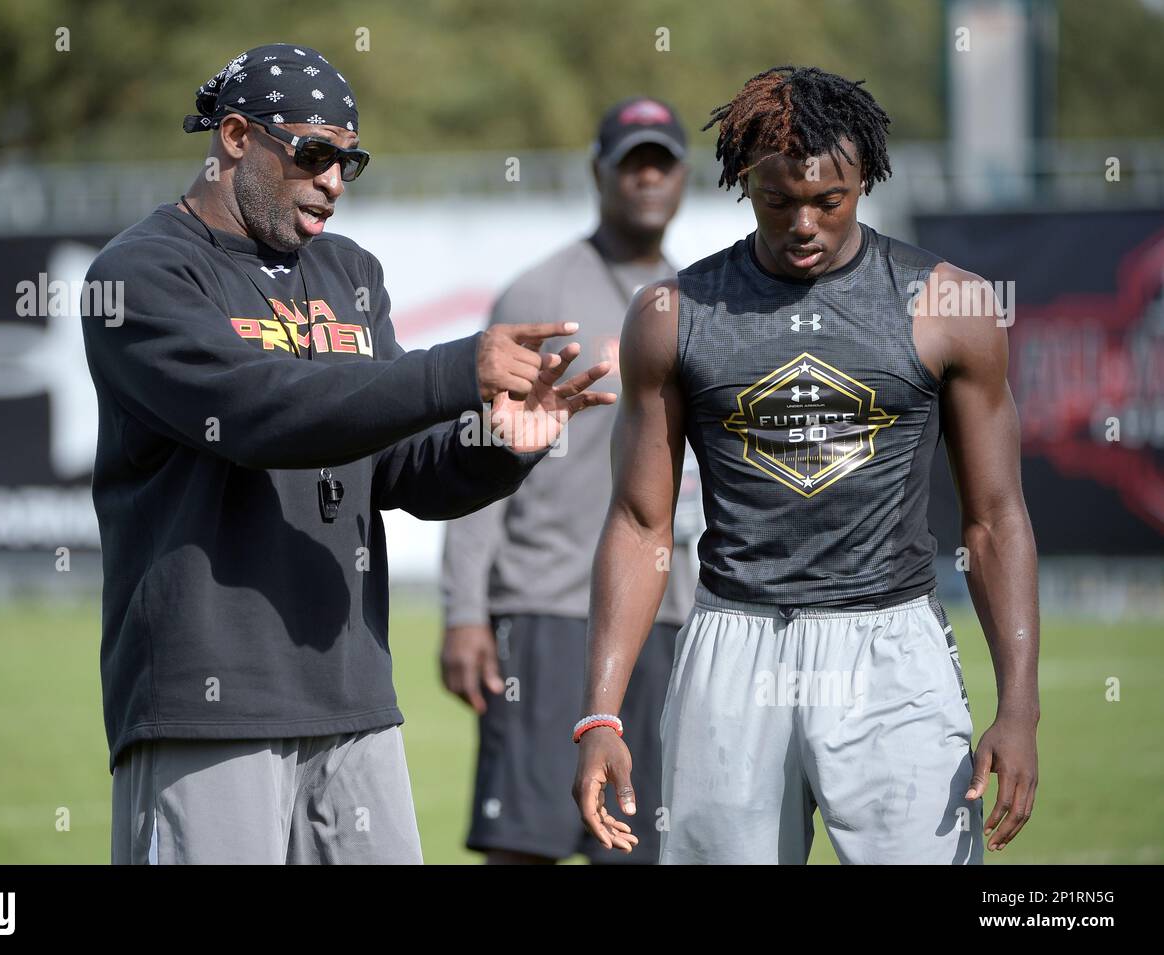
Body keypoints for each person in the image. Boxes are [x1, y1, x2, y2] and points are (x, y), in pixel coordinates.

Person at [81, 43, 615, 865]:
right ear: (234, 137)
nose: (334, 179)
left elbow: (398, 465)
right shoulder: (140, 276)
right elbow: (256, 409)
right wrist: (448, 370)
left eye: (349, 160)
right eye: (313, 152)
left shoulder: (347, 271)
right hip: (208, 703)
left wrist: (499, 445)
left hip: (354, 694)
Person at [572, 66, 1040, 864]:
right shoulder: (672, 313)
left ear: (866, 180)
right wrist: (602, 715)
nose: (804, 224)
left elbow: (995, 519)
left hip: (891, 647)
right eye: (778, 200)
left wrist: (1020, 708)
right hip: (732, 644)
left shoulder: (950, 306)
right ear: (744, 183)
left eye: (831, 200)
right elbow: (641, 521)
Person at [440, 98, 696, 865]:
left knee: (643, 846)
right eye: (631, 162)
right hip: (548, 604)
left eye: (662, 161)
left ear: (685, 176)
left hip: (664, 609)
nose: (647, 177)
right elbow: (483, 453)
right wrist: (464, 610)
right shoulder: (539, 294)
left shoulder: (702, 299)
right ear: (599, 172)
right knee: (526, 840)